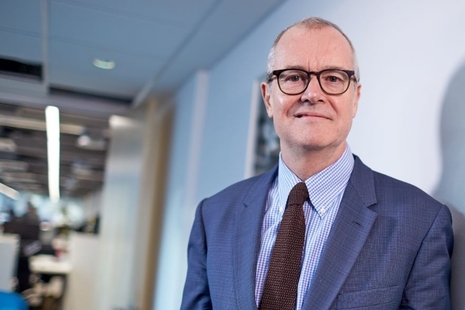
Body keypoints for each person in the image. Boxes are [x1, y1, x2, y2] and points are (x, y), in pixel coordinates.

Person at [181, 17, 453, 309]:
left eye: (333, 78)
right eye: (294, 77)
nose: (312, 94)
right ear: (268, 98)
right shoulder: (213, 217)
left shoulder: (420, 222)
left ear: (355, 99)